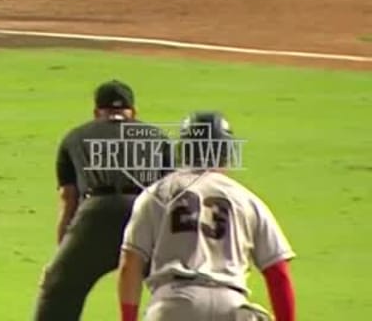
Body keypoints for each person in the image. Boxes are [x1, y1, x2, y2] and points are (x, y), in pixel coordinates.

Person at [117, 112, 298, 321]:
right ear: (227, 151)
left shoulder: (156, 194)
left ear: (184, 150)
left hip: (173, 305)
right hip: (230, 306)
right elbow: (278, 273)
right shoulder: (247, 199)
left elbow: (130, 264)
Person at [31, 80, 172, 321]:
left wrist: (63, 256)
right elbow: (171, 196)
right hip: (144, 214)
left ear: (97, 112)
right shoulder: (157, 136)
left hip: (96, 214)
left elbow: (68, 199)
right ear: (133, 112)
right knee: (177, 287)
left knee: (58, 289)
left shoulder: (75, 137)